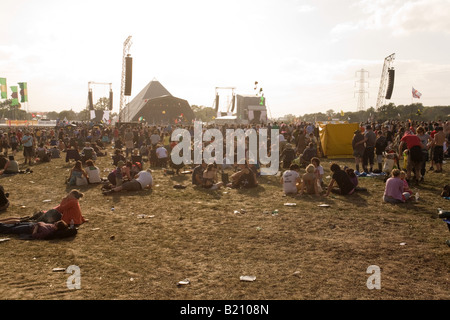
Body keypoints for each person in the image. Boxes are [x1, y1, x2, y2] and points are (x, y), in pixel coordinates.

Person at [0, 220, 69, 240]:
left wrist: (36, 227)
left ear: (57, 228)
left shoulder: (47, 232)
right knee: (16, 224)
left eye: (55, 224)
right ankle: (1, 225)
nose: (54, 223)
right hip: (31, 225)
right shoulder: (51, 226)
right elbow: (42, 223)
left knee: (12, 229)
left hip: (29, 229)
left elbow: (34, 235)